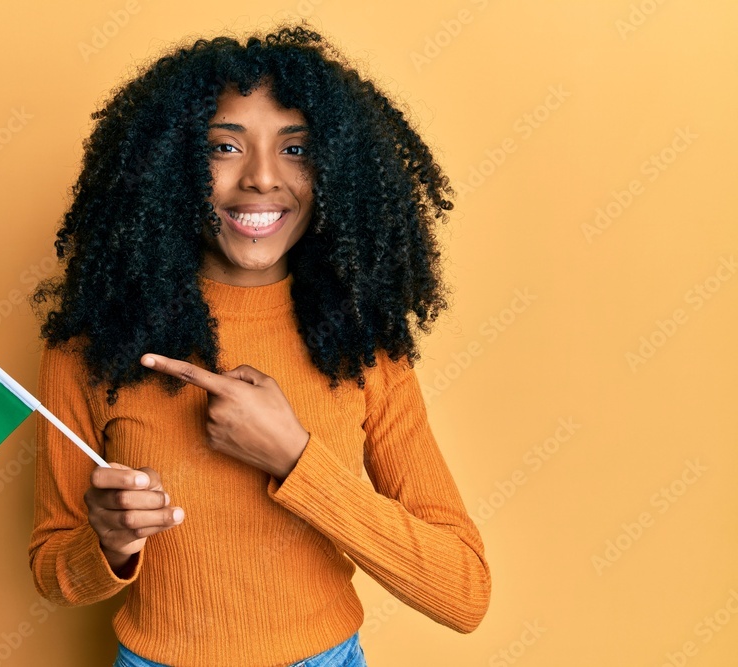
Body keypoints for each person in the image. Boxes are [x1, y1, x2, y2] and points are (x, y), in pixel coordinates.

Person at [29, 25, 490, 667]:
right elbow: (52, 573)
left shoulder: (363, 345)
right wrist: (108, 544)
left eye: (296, 148)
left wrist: (295, 458)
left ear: (336, 170)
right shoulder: (94, 346)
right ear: (171, 165)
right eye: (224, 146)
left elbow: (462, 591)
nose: (262, 178)